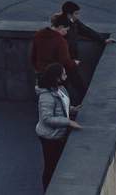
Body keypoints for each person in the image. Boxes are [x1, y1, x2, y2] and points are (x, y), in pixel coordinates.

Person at [36, 62, 82, 190]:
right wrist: (68, 122)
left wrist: (73, 109)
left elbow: (63, 107)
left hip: (59, 135)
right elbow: (47, 118)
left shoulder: (61, 89)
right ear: (57, 78)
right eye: (64, 74)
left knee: (57, 164)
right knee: (50, 166)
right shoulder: (46, 96)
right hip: (50, 137)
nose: (66, 76)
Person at [29, 13, 80, 107]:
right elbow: (65, 60)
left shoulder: (38, 35)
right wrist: (74, 63)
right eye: (66, 29)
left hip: (41, 73)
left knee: (45, 98)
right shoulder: (60, 41)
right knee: (59, 99)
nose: (66, 32)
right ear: (60, 27)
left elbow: (33, 56)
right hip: (56, 75)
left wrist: (37, 69)